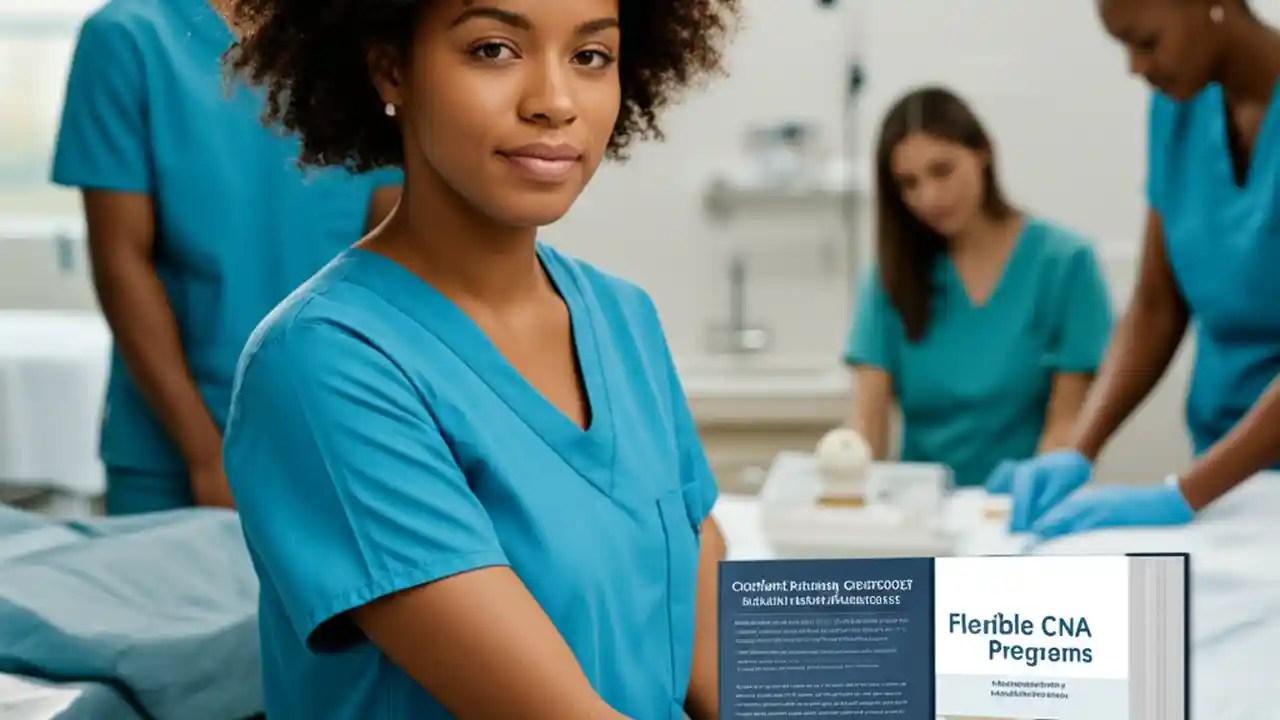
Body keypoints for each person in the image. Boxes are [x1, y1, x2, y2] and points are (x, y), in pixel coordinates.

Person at [219, 0, 737, 717]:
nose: (554, 102)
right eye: (494, 50)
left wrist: (942, 659)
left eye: (591, 57)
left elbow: (717, 668)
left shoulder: (625, 320)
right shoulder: (324, 364)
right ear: (391, 68)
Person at [49, 0, 402, 515]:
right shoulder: (129, 36)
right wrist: (206, 458)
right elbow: (122, 261)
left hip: (335, 436)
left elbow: (390, 265)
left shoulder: (358, 42)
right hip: (173, 450)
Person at [989, 0, 1280, 540]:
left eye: (1146, 42)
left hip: (1222, 483)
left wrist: (1182, 495)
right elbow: (1156, 306)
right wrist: (1078, 450)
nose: (1135, 67)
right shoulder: (1179, 110)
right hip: (1223, 474)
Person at [845, 87, 1115, 490]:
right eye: (908, 183)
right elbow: (867, 425)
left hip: (1024, 508)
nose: (929, 197)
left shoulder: (1066, 265)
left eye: (942, 170)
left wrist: (1025, 510)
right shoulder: (891, 278)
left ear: (983, 152)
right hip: (920, 516)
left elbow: (1066, 426)